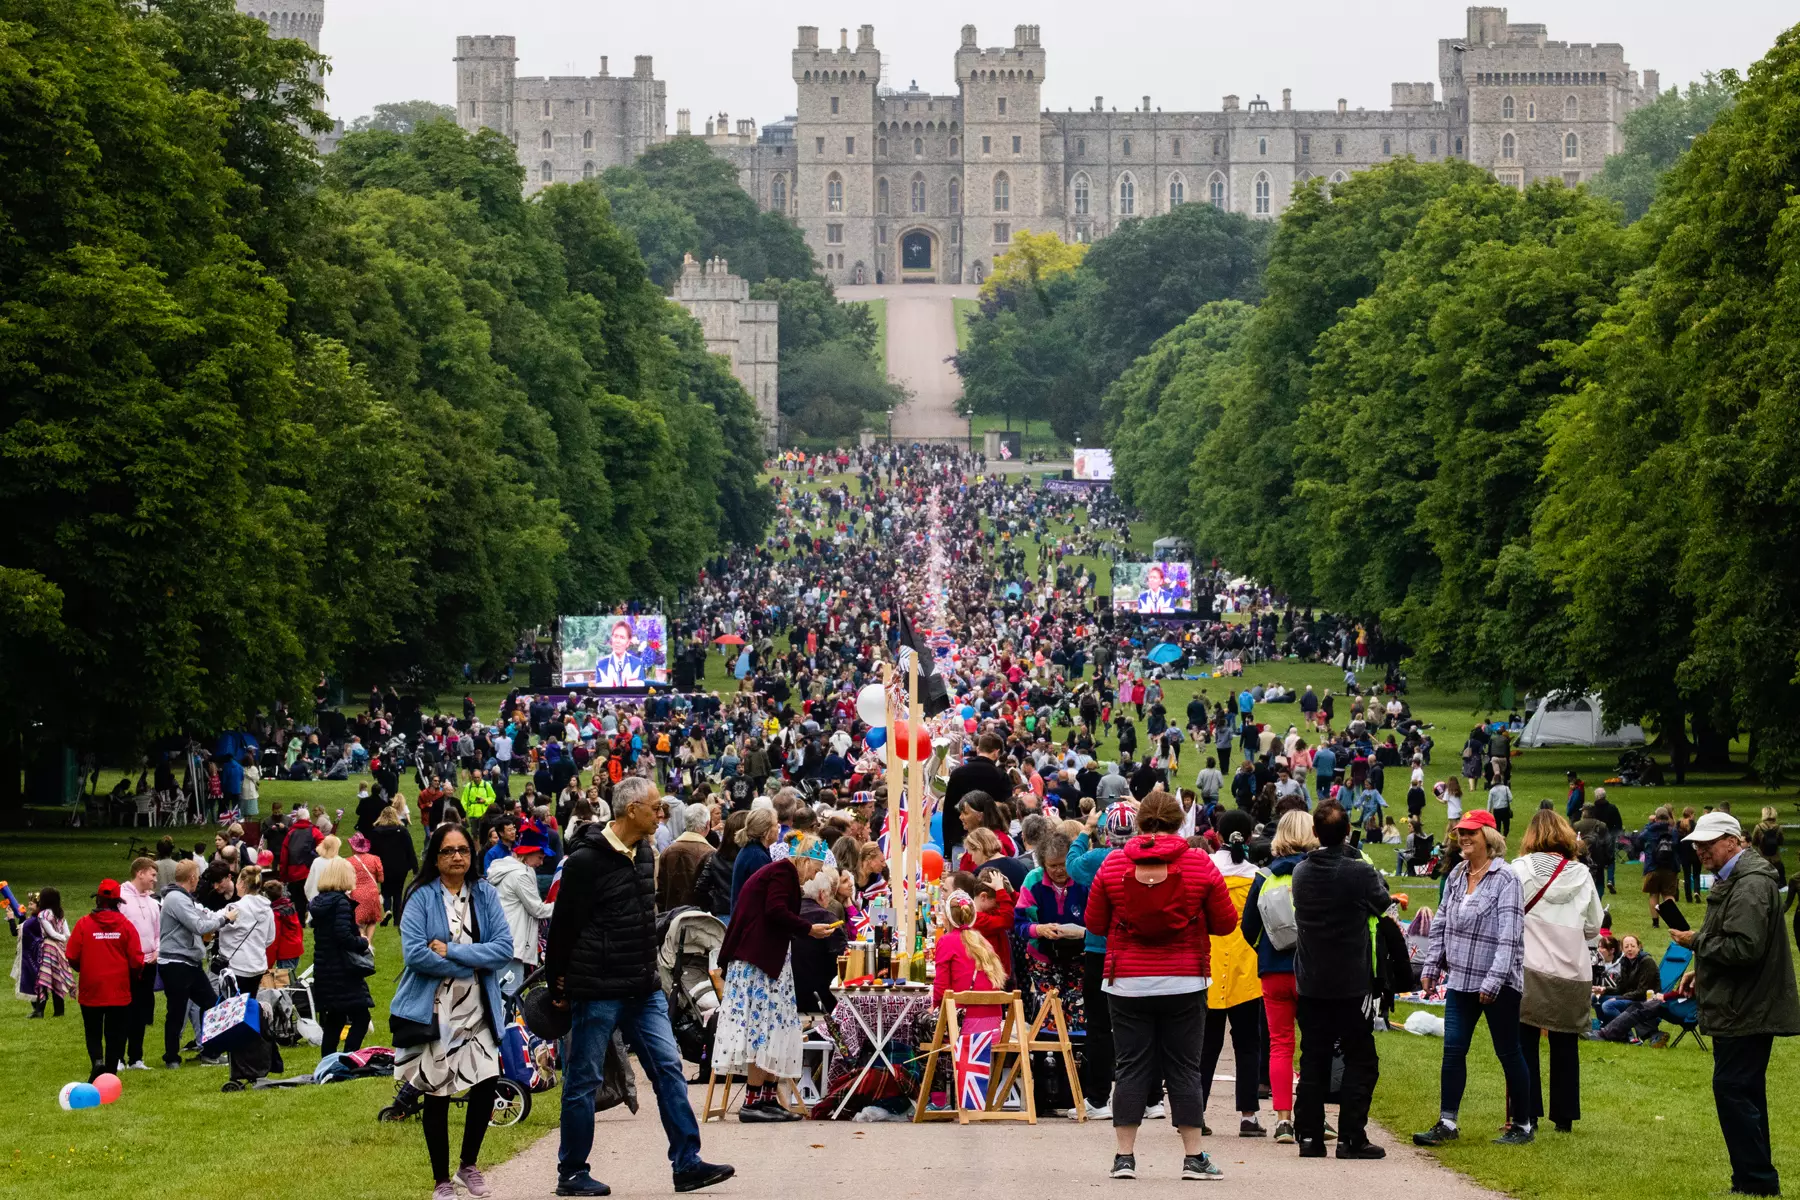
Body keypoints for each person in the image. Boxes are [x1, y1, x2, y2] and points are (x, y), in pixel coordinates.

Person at [544, 776, 733, 1196]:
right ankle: (572, 1171)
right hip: (597, 987)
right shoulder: (585, 861)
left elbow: (646, 915)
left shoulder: (647, 852)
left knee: (668, 1069)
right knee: (584, 1079)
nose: (661, 814)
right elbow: (563, 926)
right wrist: (559, 981)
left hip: (643, 987)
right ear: (632, 810)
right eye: (654, 808)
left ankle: (687, 1163)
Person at [1082, 790, 1238, 1181]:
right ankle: (1194, 1156)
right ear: (1178, 821)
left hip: (1128, 981)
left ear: (1139, 822)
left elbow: (1095, 923)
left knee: (1131, 1066)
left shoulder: (1114, 864)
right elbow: (1225, 923)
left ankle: (1124, 1157)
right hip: (1184, 978)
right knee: (1184, 1067)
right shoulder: (1198, 864)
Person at [1670, 812, 1800, 1197]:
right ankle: (1751, 1179)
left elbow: (1744, 948)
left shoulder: (1750, 884)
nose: (1700, 849)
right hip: (1740, 1004)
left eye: (1708, 842)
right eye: (1696, 843)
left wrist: (1696, 942)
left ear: (1732, 840)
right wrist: (1701, 967)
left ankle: (1757, 1180)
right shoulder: (1738, 879)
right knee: (1744, 1092)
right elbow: (1729, 937)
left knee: (1732, 1090)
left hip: (1746, 1008)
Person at [392, 823, 513, 1200]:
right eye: (448, 851)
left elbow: (503, 948)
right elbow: (415, 954)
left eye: (463, 850)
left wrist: (454, 951)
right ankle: (441, 1179)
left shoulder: (486, 895)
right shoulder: (420, 897)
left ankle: (468, 1165)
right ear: (435, 856)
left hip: (480, 1006)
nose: (457, 856)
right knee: (438, 1091)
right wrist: (468, 965)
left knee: (487, 1080)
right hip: (436, 1010)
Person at [1413, 809, 1534, 1147]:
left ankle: (1522, 1126)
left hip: (1498, 984)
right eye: (1461, 832)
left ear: (1489, 838)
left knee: (1508, 1052)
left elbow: (1510, 935)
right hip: (1461, 979)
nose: (1463, 838)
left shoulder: (1506, 878)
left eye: (1471, 833)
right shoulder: (1455, 875)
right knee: (1452, 1050)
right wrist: (1431, 966)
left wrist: (1494, 981)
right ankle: (1447, 1122)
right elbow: (1440, 922)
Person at [1289, 801, 1390, 1159]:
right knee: (1361, 1058)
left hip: (1312, 981)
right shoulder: (1358, 872)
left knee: (1314, 1057)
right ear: (1348, 832)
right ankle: (1351, 1136)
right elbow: (1382, 903)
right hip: (1350, 983)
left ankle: (1309, 1136)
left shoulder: (1302, 872)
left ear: (1314, 833)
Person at [716, 834, 837, 1120]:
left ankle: (767, 1097)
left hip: (766, 959)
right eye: (816, 868)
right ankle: (754, 1101)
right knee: (763, 1028)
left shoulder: (780, 874)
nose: (815, 876)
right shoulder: (783, 872)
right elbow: (775, 911)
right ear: (805, 860)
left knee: (775, 1026)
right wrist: (810, 928)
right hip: (758, 961)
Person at [1509, 809, 1603, 1134]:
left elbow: (1507, 914)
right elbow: (1594, 926)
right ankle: (1564, 1117)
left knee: (1524, 1041)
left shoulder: (1519, 869)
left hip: (1529, 965)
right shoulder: (1582, 874)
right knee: (1566, 1045)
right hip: (1571, 969)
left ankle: (1527, 1113)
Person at [1241, 809, 1314, 1144]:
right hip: (1313, 970)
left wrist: (1266, 951)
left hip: (1274, 969)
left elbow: (1248, 928)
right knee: (1315, 1046)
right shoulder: (1315, 871)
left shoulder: (1264, 876)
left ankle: (1283, 1118)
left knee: (1280, 1045)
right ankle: (1313, 1115)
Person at [1199, 810, 1265, 1137]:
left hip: (1208, 964)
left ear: (1218, 836)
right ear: (1249, 837)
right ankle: (1249, 1115)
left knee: (1205, 1044)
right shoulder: (1257, 876)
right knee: (1248, 1044)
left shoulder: (1205, 870)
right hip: (1246, 965)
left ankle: (1195, 1109)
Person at [159, 859, 235, 1067]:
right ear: (192, 877)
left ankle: (210, 1052)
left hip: (190, 962)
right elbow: (199, 926)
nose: (199, 880)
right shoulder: (176, 899)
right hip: (176, 962)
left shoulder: (184, 898)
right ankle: (171, 1057)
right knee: (176, 1010)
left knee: (211, 1004)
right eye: (198, 876)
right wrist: (224, 919)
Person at [66, 879, 143, 1081]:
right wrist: (134, 976)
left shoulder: (84, 924)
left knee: (93, 1030)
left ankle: (97, 1062)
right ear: (118, 902)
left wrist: (85, 968)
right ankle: (110, 1072)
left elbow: (72, 954)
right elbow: (136, 959)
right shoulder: (126, 926)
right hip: (118, 988)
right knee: (114, 1033)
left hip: (91, 986)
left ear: (98, 899)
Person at [311, 856, 374, 1057]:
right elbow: (343, 935)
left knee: (335, 1018)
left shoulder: (319, 903)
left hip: (325, 967)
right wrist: (363, 942)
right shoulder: (341, 903)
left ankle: (328, 1059)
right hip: (343, 969)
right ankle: (349, 1057)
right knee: (361, 1017)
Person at [489, 826, 554, 991]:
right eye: (539, 857)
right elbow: (537, 910)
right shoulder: (519, 875)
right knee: (509, 993)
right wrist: (562, 906)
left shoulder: (516, 869)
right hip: (513, 939)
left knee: (504, 990)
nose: (541, 862)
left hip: (502, 937)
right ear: (528, 853)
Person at [117, 858, 161, 1069]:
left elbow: (159, 932)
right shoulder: (120, 898)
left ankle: (136, 1058)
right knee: (123, 1011)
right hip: (127, 965)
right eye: (152, 875)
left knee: (141, 1012)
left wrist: (157, 951)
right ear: (140, 873)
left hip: (149, 963)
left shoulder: (153, 902)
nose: (155, 879)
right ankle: (117, 1057)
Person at [217, 865, 276, 998]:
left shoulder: (236, 908)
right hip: (258, 965)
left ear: (242, 884)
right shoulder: (267, 909)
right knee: (250, 1005)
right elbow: (270, 937)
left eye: (237, 881)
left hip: (238, 966)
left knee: (233, 1010)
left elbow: (214, 921)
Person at [657, 804, 717, 912]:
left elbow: (661, 893)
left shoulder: (667, 852)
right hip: (700, 921)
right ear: (708, 824)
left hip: (670, 919)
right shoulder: (711, 854)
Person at [370, 805, 420, 926]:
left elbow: (372, 851)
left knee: (385, 890)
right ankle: (397, 919)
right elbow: (410, 849)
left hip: (383, 865)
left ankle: (387, 909)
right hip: (400, 866)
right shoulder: (402, 831)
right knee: (398, 892)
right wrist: (415, 868)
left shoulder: (376, 832)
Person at [728, 808, 778, 914]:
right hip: (748, 921)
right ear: (766, 832)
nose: (778, 827)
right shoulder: (757, 857)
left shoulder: (754, 850)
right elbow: (765, 895)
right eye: (775, 824)